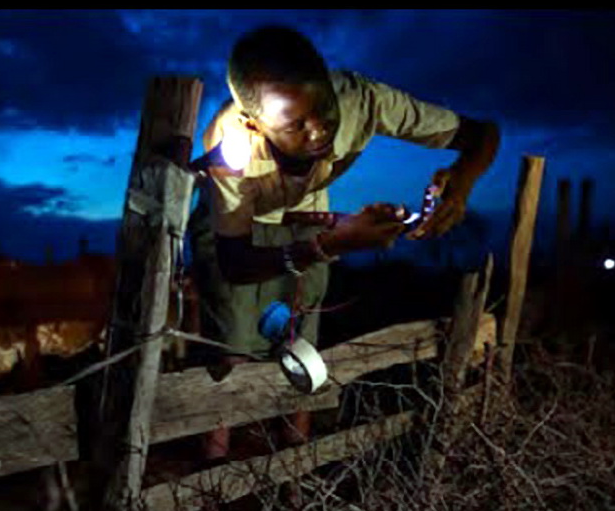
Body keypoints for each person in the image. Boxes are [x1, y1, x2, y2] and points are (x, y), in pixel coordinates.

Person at [188, 24, 500, 463]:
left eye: (323, 109)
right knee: (231, 356)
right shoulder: (229, 143)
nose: (319, 131)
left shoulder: (362, 99)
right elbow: (236, 261)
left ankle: (295, 487)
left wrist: (462, 184)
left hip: (308, 221)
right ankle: (212, 494)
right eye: (296, 124)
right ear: (253, 123)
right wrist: (332, 244)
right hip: (233, 235)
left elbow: (483, 135)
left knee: (302, 355)